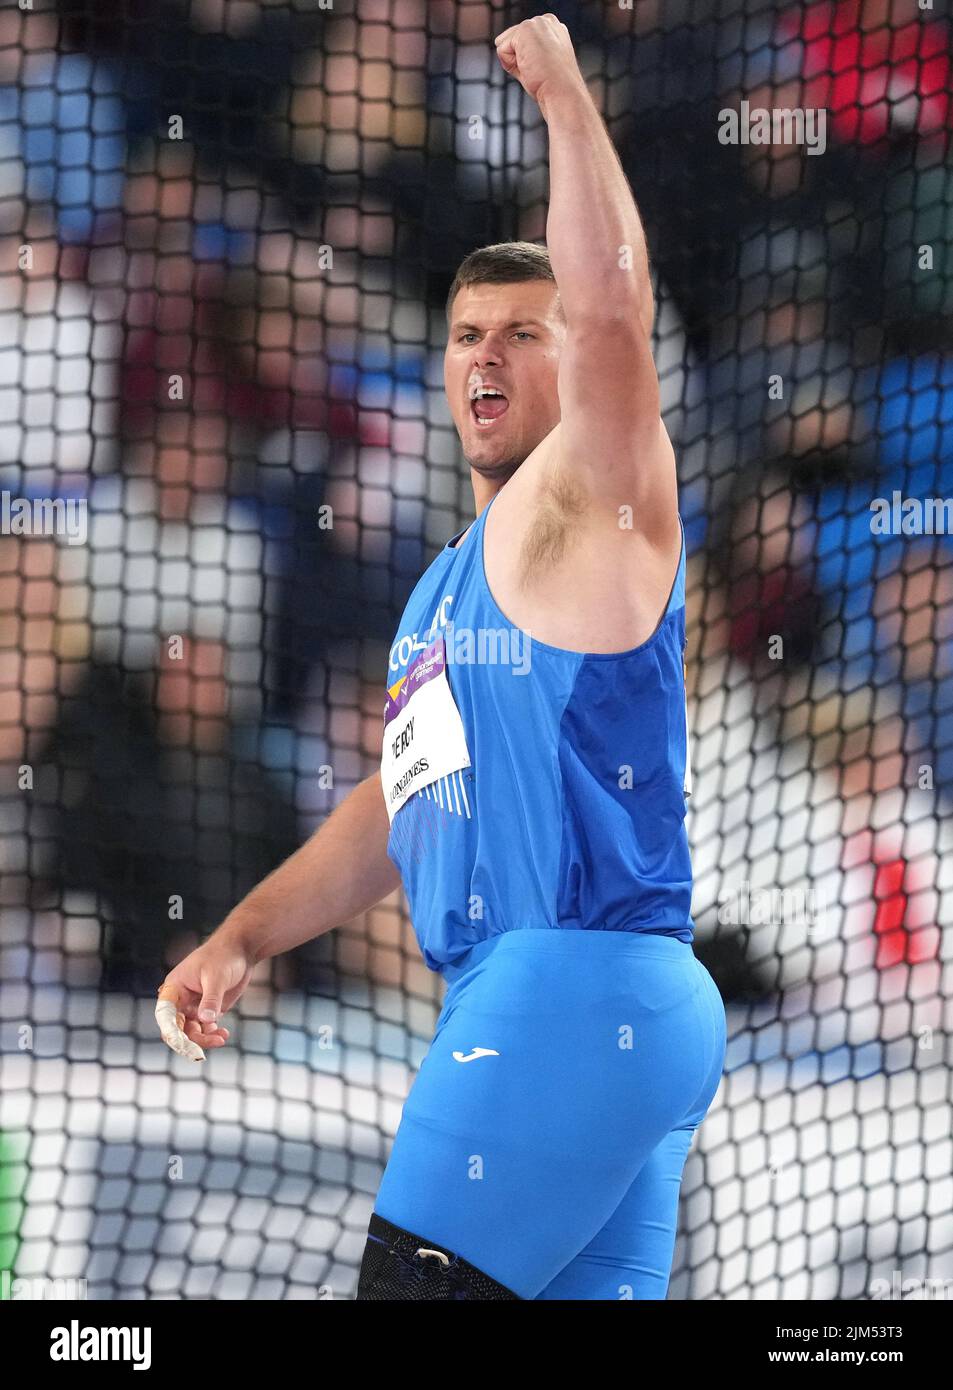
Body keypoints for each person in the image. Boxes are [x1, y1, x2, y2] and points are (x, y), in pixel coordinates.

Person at [156, 15, 726, 1301]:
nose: (486, 355)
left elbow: (614, 321)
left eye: (523, 333)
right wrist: (246, 933)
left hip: (570, 983)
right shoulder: (438, 592)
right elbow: (401, 800)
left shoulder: (591, 500)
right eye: (468, 334)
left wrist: (568, 100)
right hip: (570, 1011)